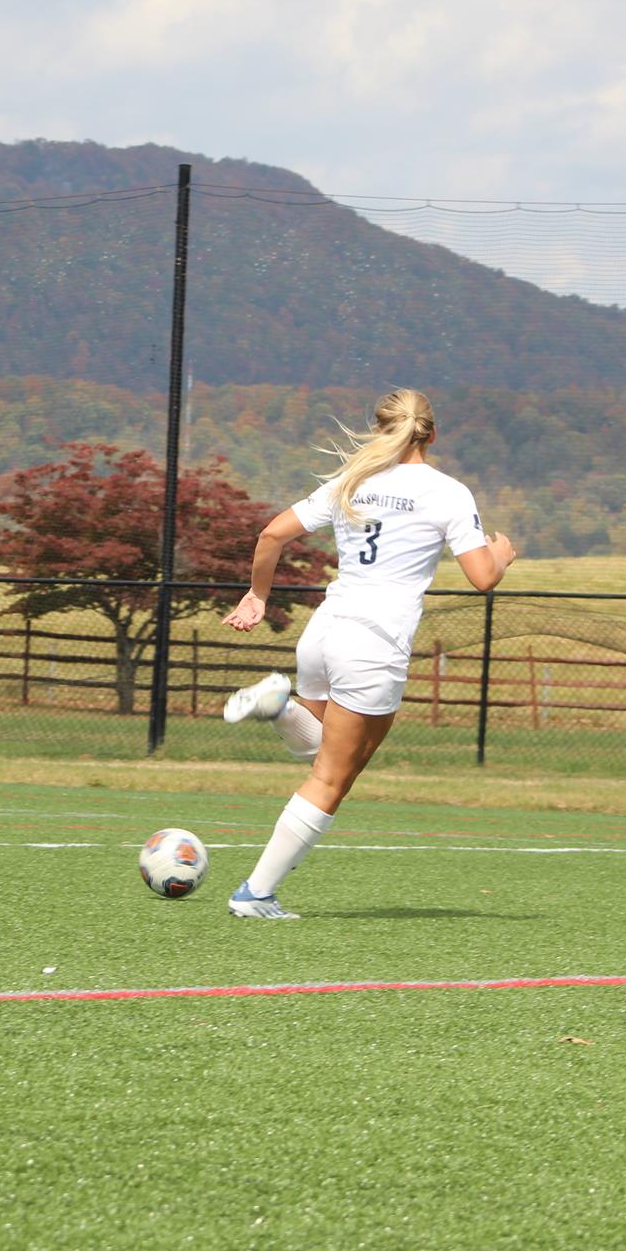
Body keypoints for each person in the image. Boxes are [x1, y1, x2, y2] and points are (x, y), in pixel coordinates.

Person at [218, 388, 517, 919]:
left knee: (319, 753)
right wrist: (501, 554)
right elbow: (482, 577)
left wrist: (257, 596)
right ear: (433, 432)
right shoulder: (448, 492)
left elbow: (270, 535)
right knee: (335, 775)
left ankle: (280, 706)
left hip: (324, 632)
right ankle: (255, 894)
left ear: (382, 430)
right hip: (373, 645)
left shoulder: (351, 481)